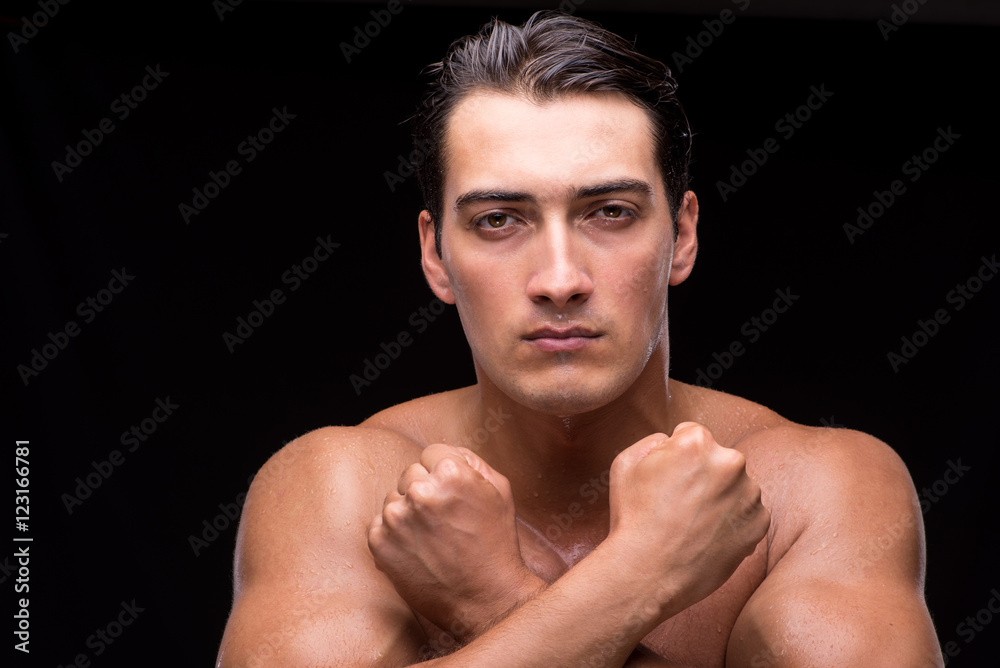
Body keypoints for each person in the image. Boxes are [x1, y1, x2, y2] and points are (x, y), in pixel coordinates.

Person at [216, 11, 943, 667]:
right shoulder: (344, 490)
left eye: (610, 212)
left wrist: (492, 602)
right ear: (435, 255)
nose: (559, 279)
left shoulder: (815, 491)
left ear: (682, 235)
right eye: (500, 220)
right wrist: (644, 573)